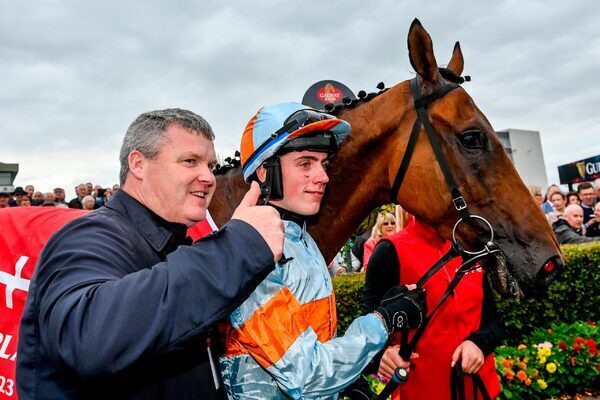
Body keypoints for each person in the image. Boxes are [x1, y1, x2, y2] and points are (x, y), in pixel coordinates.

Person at [17, 108, 285, 400]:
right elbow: (90, 339)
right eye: (190, 161)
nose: (208, 177)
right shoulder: (89, 236)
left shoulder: (171, 242)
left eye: (210, 165)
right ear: (138, 164)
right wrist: (238, 248)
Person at [219, 102, 427, 400]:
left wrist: (350, 381)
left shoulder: (300, 240)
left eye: (324, 164)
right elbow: (306, 376)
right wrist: (382, 320)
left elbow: (313, 343)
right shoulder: (252, 254)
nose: (323, 176)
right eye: (305, 163)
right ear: (265, 172)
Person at [362, 216, 503, 400]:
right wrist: (384, 352)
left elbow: (495, 321)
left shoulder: (471, 247)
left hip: (479, 390)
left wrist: (478, 343)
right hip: (421, 391)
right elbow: (367, 322)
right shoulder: (389, 250)